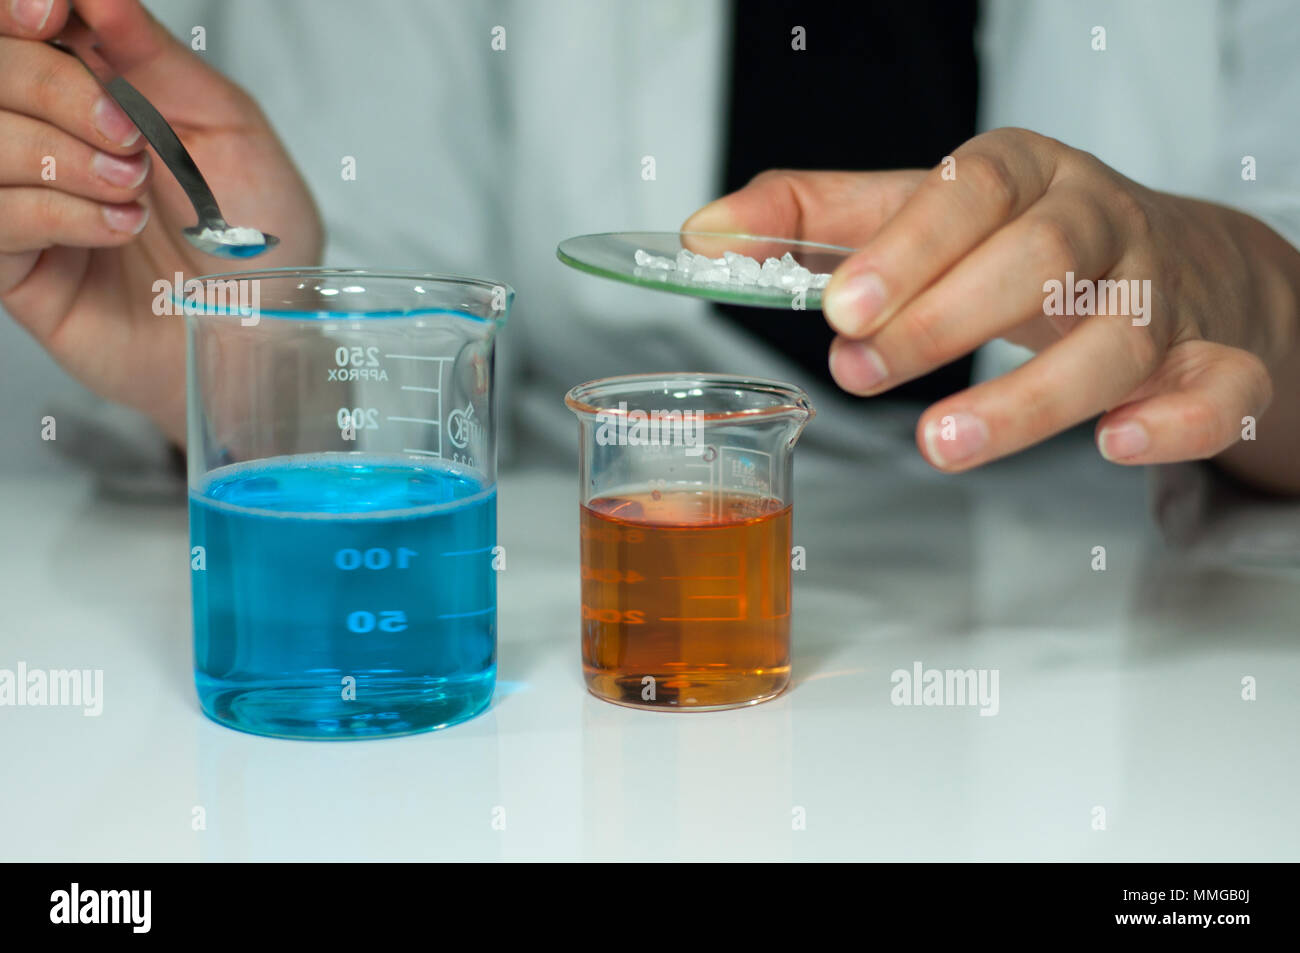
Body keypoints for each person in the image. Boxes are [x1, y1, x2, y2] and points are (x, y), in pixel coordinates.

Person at [2, 0, 1298, 522]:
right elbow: (381, 373)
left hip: (1145, 641)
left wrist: (1254, 296)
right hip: (590, 656)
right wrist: (245, 360)